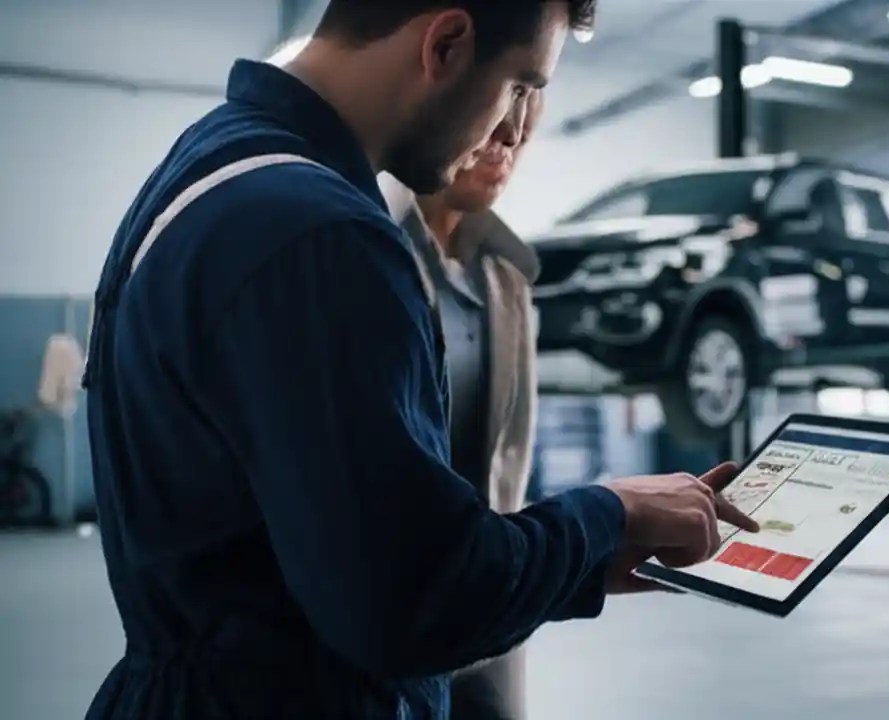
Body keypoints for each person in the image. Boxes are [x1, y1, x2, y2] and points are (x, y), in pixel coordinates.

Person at [80, 2, 756, 719]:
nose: (514, 128)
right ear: (448, 44)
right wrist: (608, 516)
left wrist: (587, 556)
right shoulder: (320, 234)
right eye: (520, 85)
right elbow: (414, 600)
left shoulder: (217, 166)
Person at [378, 86, 543, 720]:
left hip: (491, 604)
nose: (514, 132)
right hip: (391, 614)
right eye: (509, 91)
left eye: (534, 98)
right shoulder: (369, 249)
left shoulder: (507, 275)